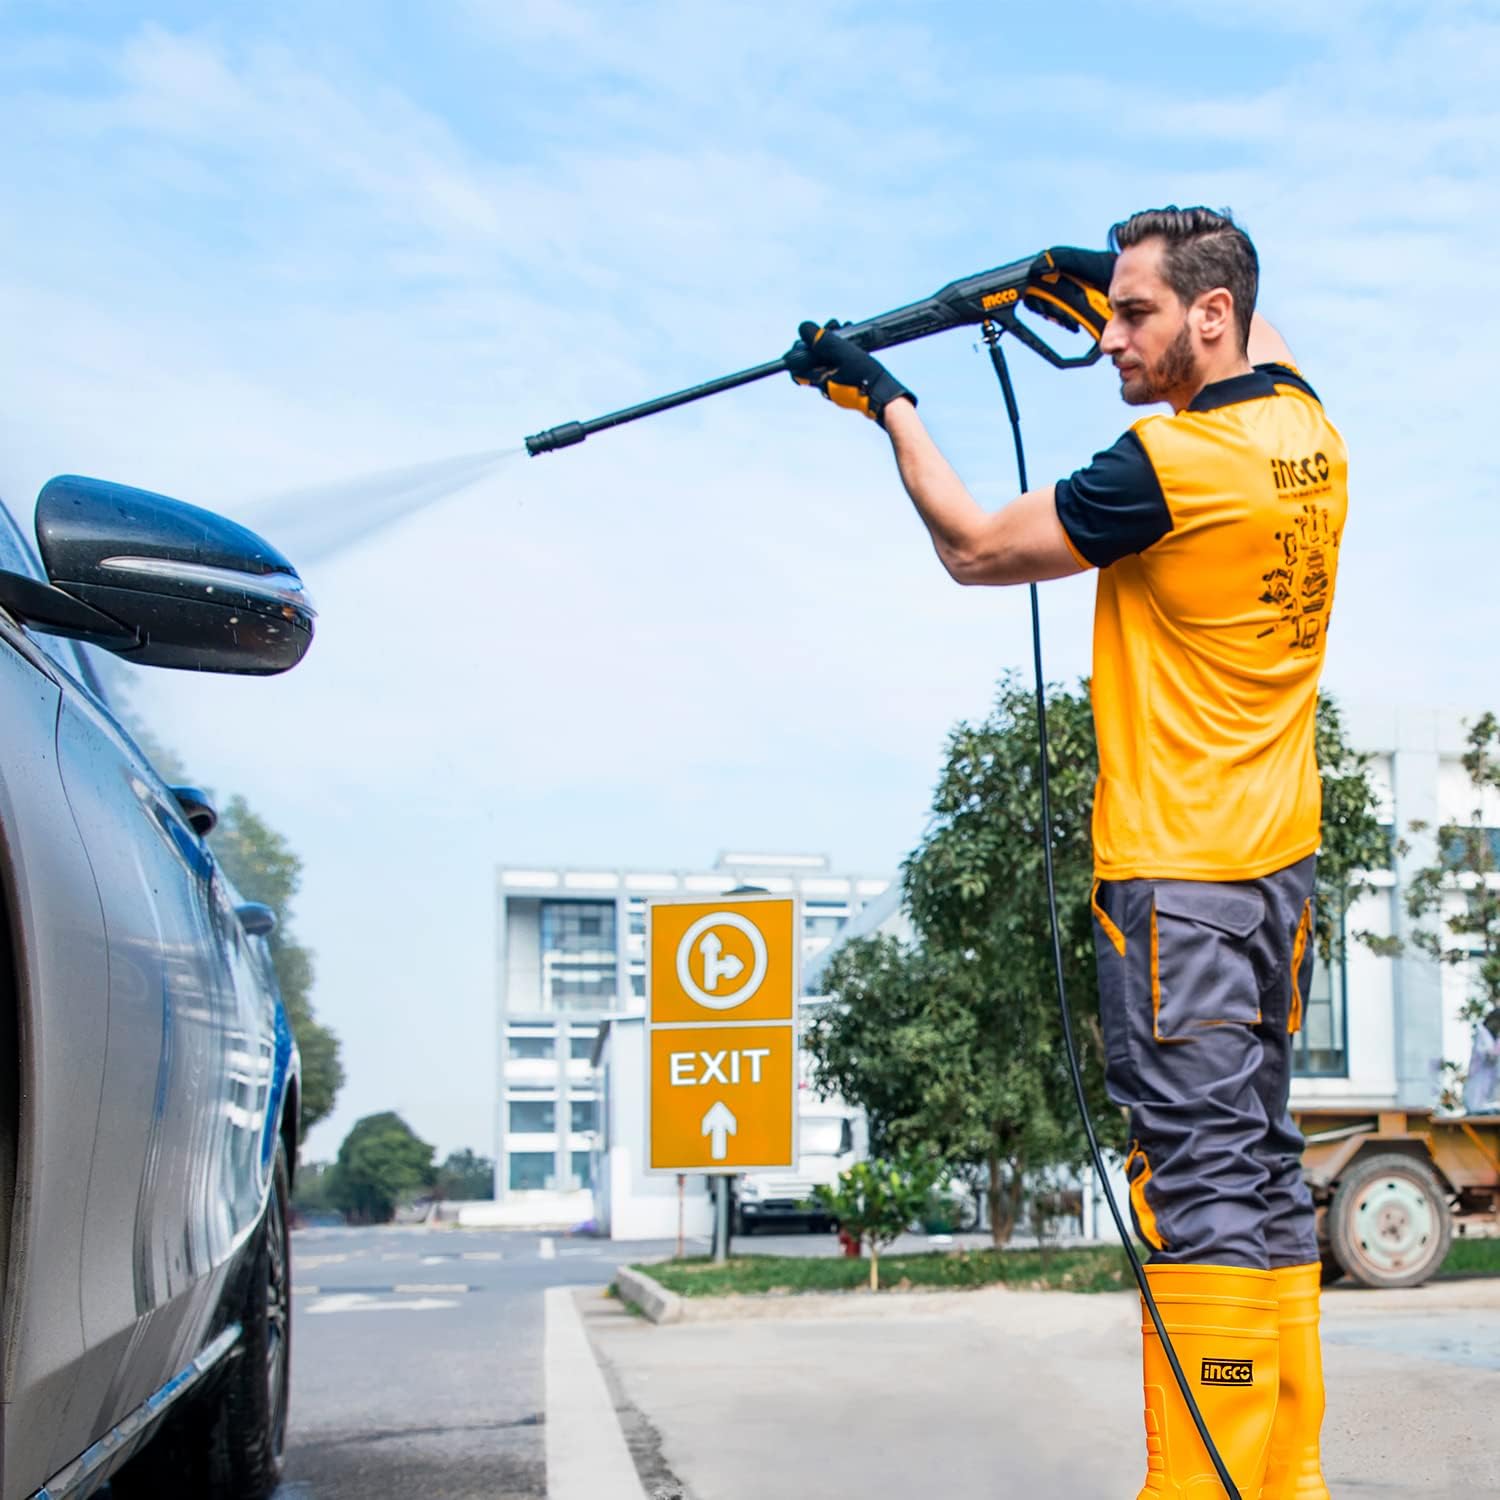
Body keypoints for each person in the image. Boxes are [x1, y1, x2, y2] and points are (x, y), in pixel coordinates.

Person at [787, 206, 1346, 1500]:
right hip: (1278, 879)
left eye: (1135, 317)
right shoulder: (1309, 434)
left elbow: (978, 547)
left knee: (1198, 1179)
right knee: (1257, 1163)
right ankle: (1285, 1478)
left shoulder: (1175, 464)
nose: (1109, 338)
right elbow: (1260, 323)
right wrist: (1096, 273)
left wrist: (886, 402)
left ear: (1208, 318)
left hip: (1181, 885)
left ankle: (1202, 1486)